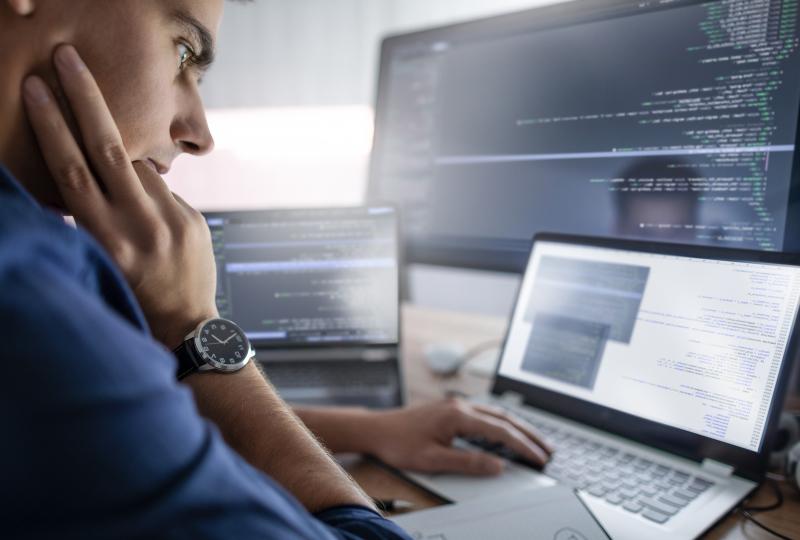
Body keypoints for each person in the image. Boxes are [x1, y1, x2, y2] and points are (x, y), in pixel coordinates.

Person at [0, 0, 551, 537]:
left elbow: (144, 418)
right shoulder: (28, 292)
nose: (199, 131)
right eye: (186, 50)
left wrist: (371, 429)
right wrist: (190, 325)